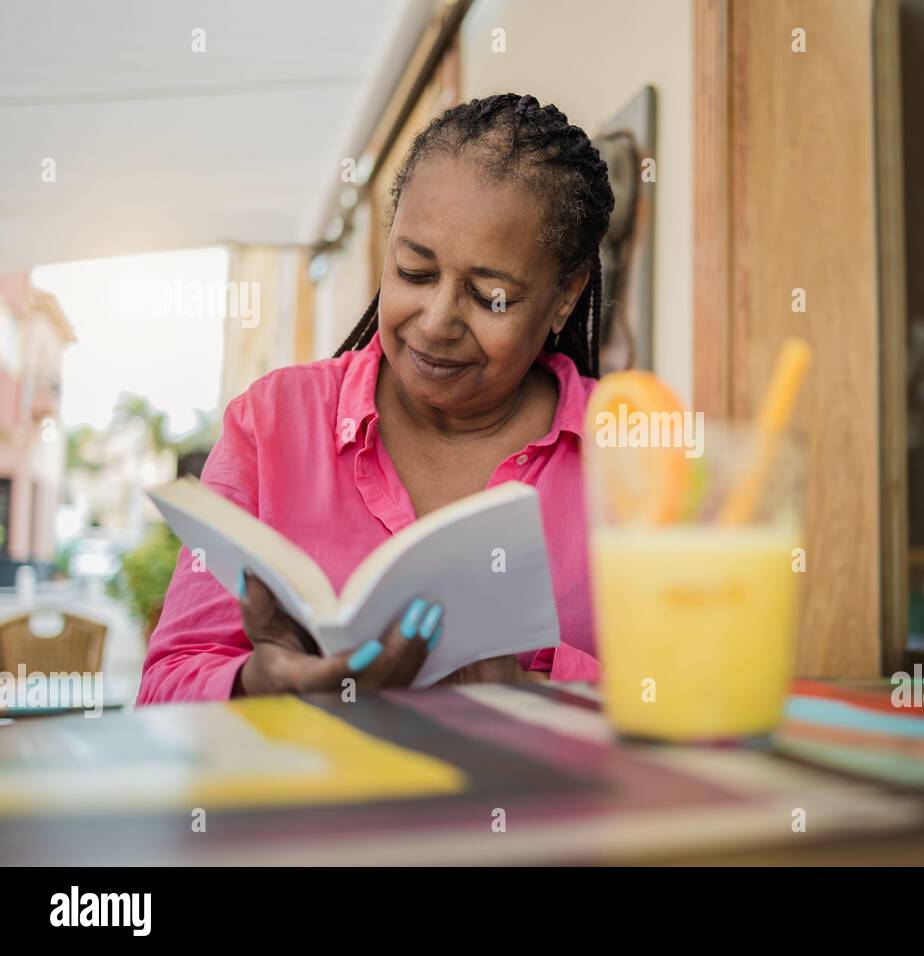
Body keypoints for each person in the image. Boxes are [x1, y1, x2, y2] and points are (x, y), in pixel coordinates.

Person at [137, 93, 614, 703]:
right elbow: (163, 687)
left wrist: (527, 684)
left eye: (491, 295)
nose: (437, 320)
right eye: (414, 272)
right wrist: (256, 684)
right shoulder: (272, 424)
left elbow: (694, 699)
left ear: (565, 297)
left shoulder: (630, 451)